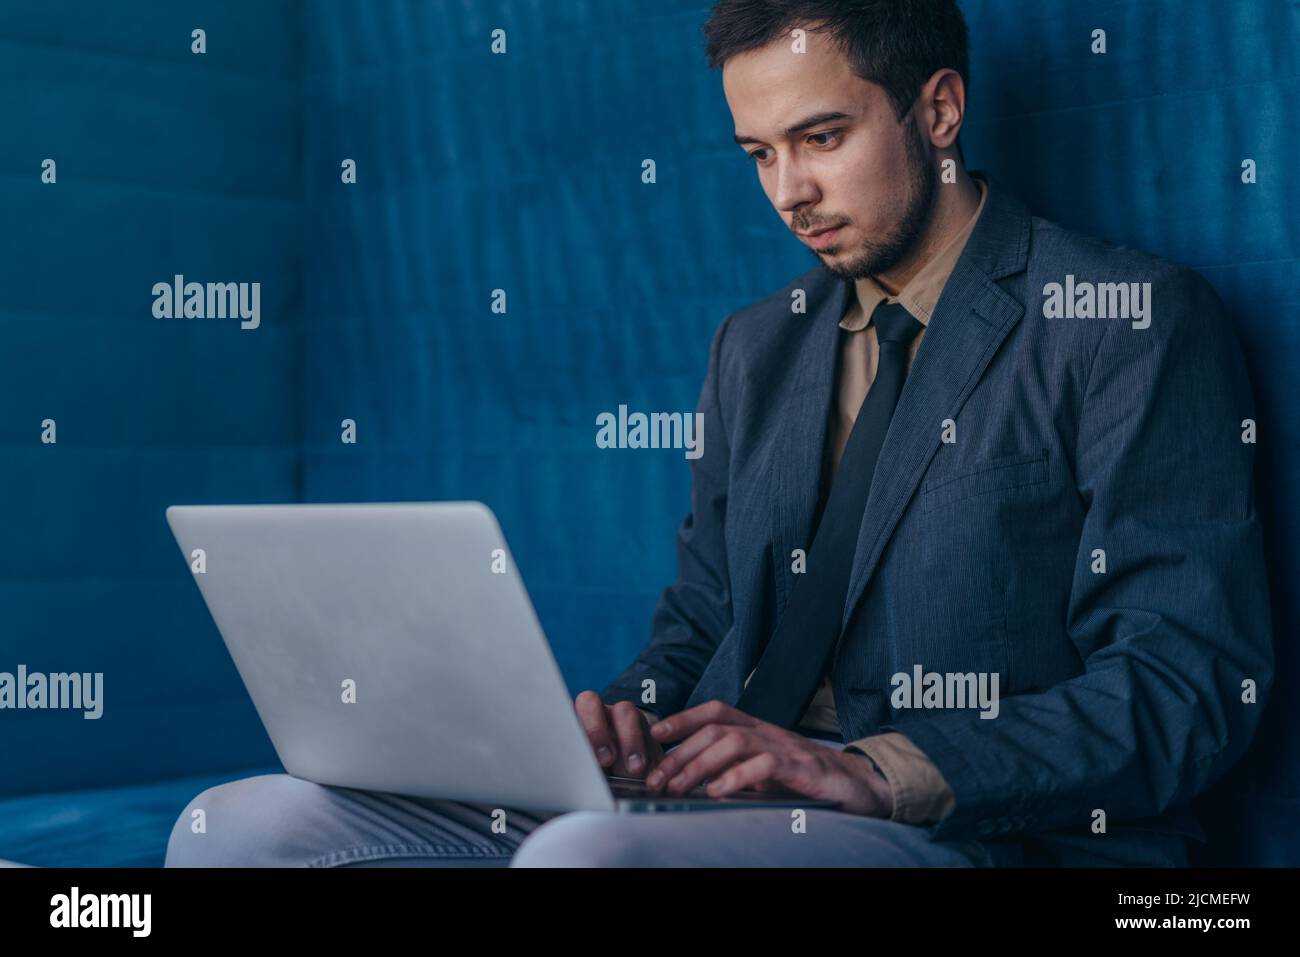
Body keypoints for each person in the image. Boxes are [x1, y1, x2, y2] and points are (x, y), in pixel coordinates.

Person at [166, 0, 1272, 868]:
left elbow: (1186, 687)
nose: (790, 191)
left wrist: (879, 770)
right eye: (757, 154)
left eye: (821, 137)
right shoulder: (759, 346)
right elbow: (700, 623)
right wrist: (625, 726)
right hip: (723, 799)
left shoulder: (1123, 321)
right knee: (248, 827)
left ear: (937, 110)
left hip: (970, 828)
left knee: (588, 857)